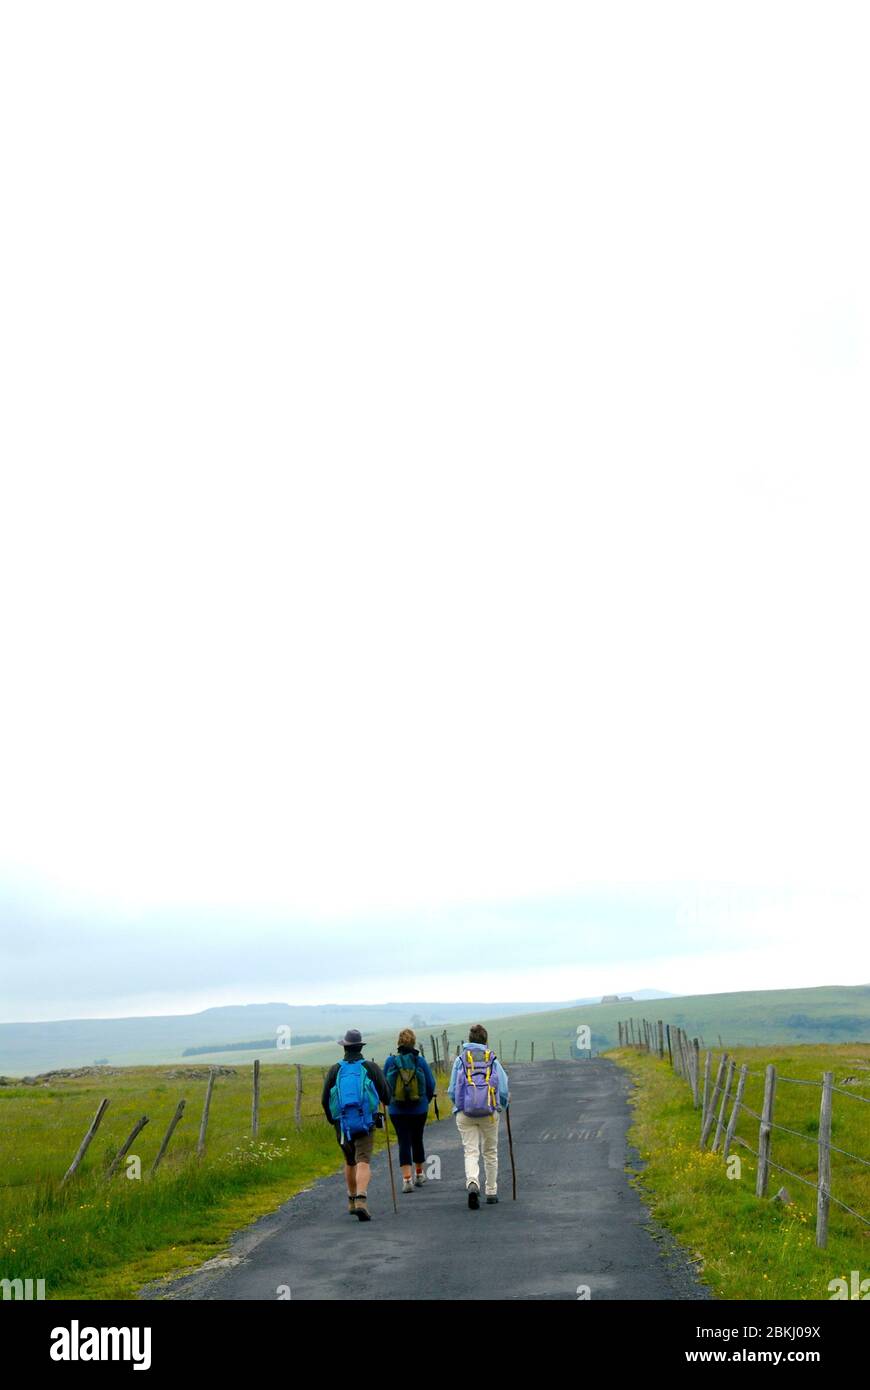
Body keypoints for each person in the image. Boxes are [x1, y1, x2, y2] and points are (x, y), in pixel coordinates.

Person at [321, 1028, 390, 1221]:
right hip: (365, 1122)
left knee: (350, 1161)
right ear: (361, 1047)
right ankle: (361, 1199)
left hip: (342, 1124)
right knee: (363, 1160)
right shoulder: (370, 1067)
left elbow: (325, 1098)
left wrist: (332, 1120)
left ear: (344, 1048)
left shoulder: (335, 1069)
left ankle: (351, 1200)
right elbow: (386, 1095)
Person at [447, 1023, 509, 1208]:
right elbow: (504, 1089)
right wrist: (502, 1105)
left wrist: (459, 1105)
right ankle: (491, 1191)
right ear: (485, 1040)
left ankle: (473, 1183)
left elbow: (452, 1090)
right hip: (489, 1113)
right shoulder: (492, 1060)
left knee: (471, 1150)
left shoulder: (460, 1060)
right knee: (490, 1151)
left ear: (469, 1040)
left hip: (465, 1112)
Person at [383, 1028, 436, 1193]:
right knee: (417, 1139)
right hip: (418, 1109)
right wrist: (425, 1101)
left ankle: (407, 1180)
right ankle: (419, 1175)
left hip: (397, 1110)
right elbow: (431, 1083)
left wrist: (388, 1102)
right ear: (413, 1042)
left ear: (399, 1042)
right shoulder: (419, 1061)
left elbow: (384, 1085)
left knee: (403, 1141)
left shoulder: (390, 1062)